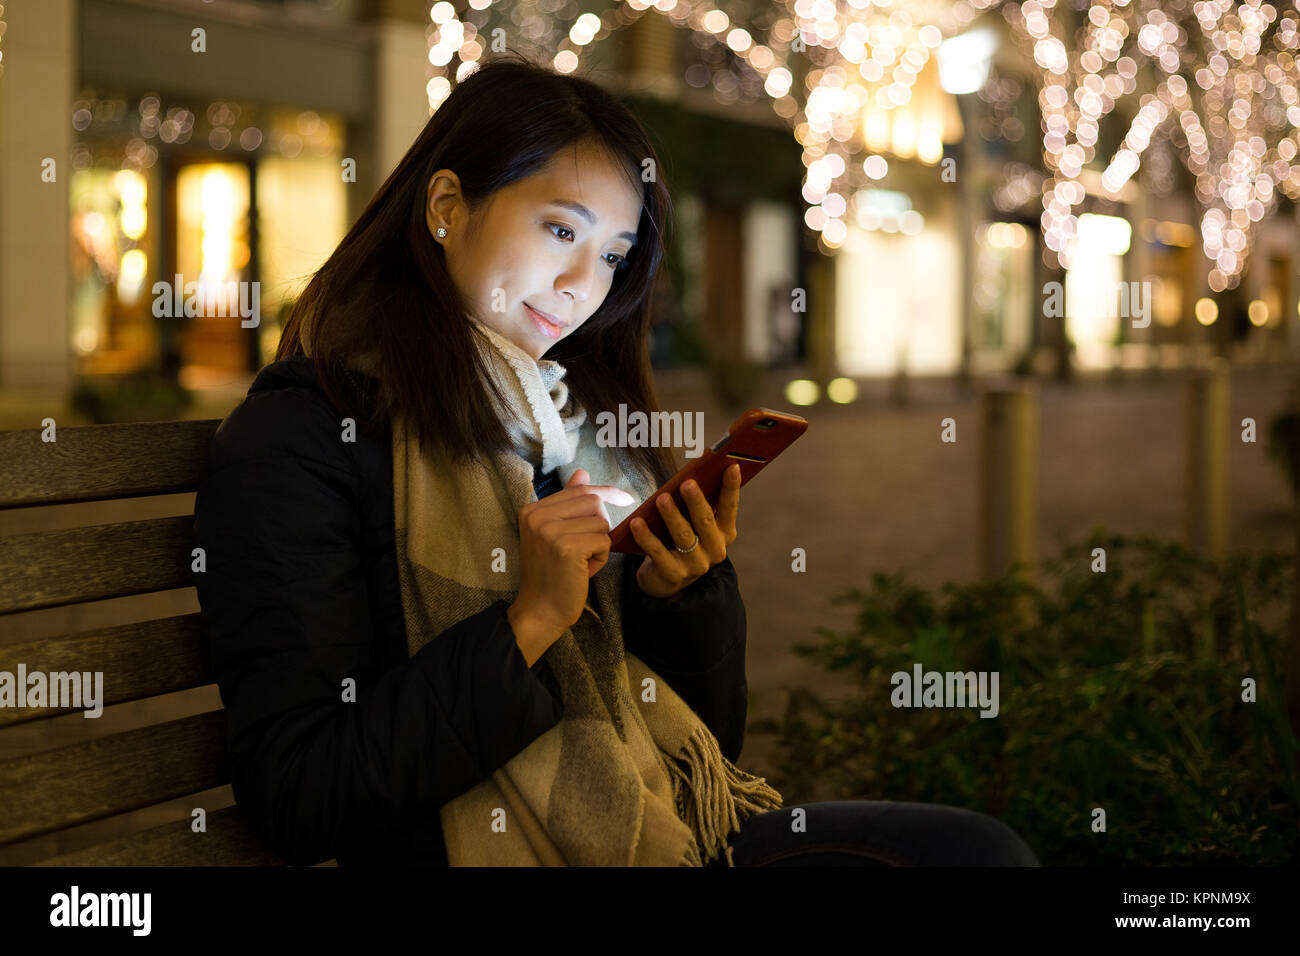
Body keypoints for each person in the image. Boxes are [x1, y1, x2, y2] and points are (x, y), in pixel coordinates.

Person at [193, 53, 1038, 867]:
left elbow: (707, 741)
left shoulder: (576, 430)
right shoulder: (306, 440)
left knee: (976, 850)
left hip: (652, 830)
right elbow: (298, 797)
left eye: (610, 256)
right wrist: (527, 622)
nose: (579, 284)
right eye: (560, 228)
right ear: (447, 205)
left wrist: (682, 596)